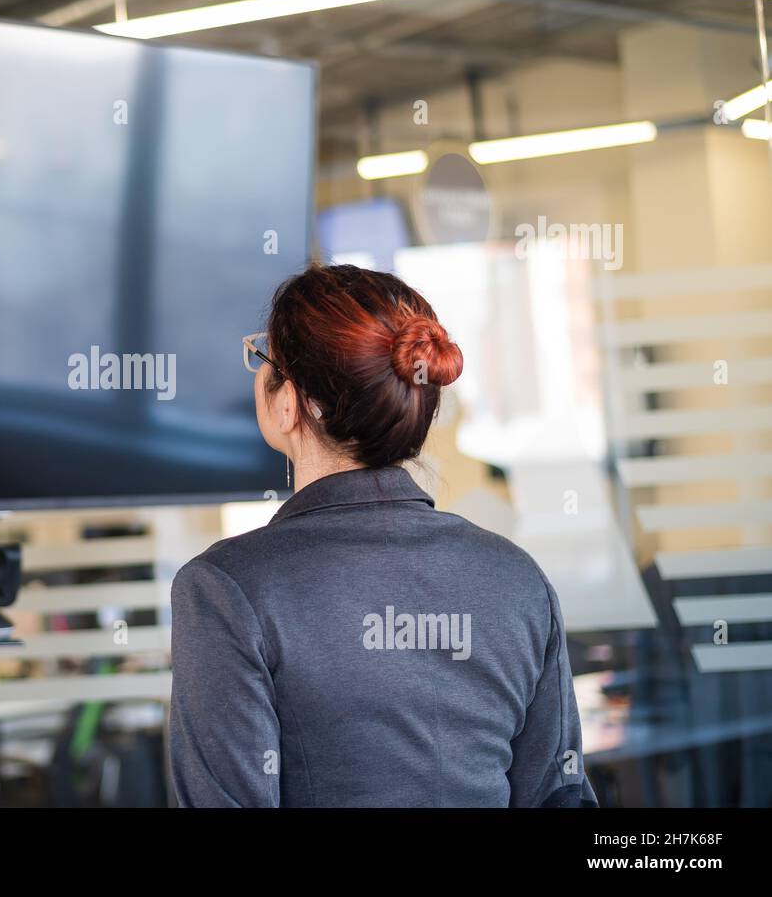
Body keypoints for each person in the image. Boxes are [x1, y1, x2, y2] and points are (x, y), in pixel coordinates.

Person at [168, 263, 597, 808]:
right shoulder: (515, 578)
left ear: (287, 402)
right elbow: (558, 796)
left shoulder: (226, 589)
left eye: (263, 358)